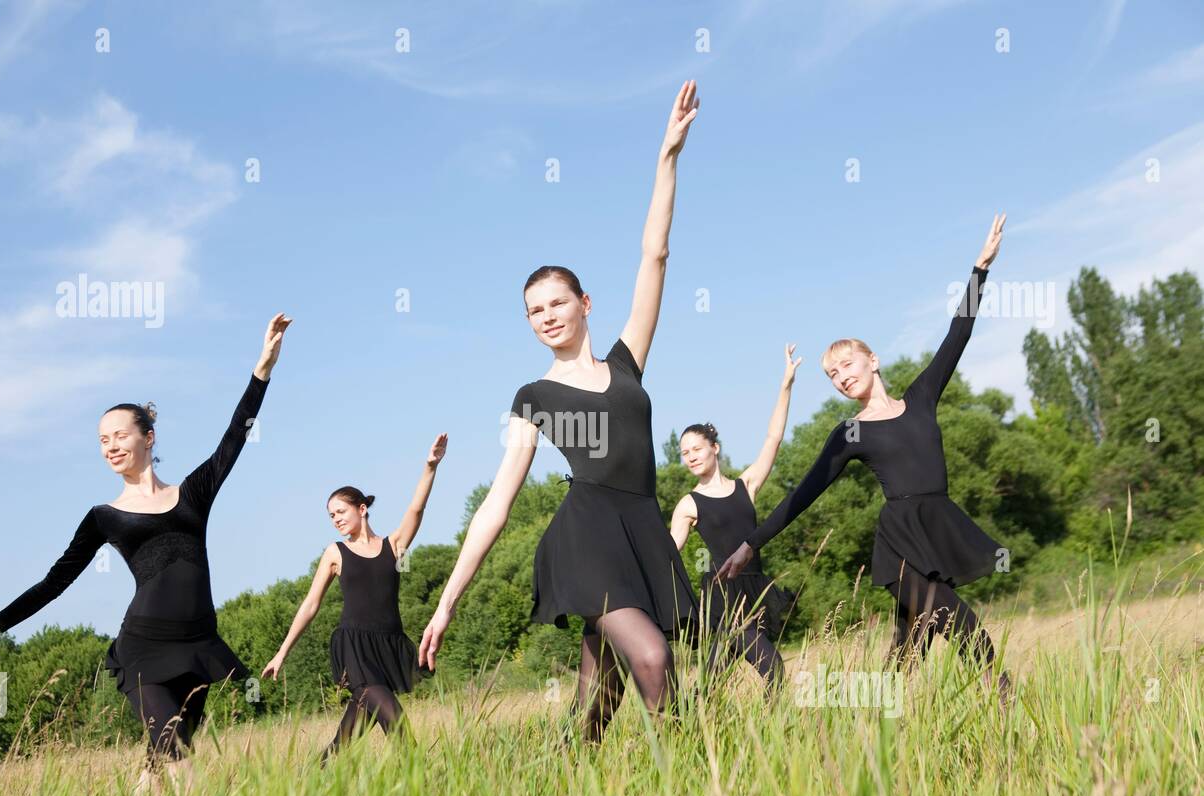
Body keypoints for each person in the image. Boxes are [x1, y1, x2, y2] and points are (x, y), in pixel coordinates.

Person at [418, 81, 702, 743]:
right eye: (535, 310)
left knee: (597, 698)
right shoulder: (534, 398)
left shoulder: (628, 361)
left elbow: (654, 255)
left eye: (557, 302)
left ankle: (570, 789)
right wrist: (447, 599)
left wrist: (668, 156)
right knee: (654, 659)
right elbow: (498, 501)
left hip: (641, 530)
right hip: (585, 538)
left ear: (585, 304)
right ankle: (700, 793)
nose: (547, 316)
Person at [0, 313, 291, 796]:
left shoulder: (194, 493)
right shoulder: (104, 516)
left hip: (197, 645)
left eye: (119, 435)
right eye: (102, 441)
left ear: (148, 437)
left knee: (159, 762)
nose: (110, 446)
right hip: (143, 648)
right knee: (179, 759)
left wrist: (262, 369)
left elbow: (235, 436)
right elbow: (52, 583)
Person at [719, 215, 1014, 703]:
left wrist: (979, 269)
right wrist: (752, 543)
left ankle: (872, 717)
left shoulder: (920, 399)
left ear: (872, 360)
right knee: (959, 620)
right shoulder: (850, 432)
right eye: (832, 375)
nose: (841, 377)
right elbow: (804, 493)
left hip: (937, 524)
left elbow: (955, 337)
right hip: (899, 541)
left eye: (847, 365)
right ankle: (1005, 700)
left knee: (910, 642)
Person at [262, 434, 447, 762]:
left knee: (349, 735)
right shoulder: (336, 552)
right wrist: (281, 652)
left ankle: (314, 774)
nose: (335, 519)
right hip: (355, 647)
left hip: (386, 644)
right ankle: (425, 780)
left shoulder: (394, 545)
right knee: (395, 719)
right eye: (331, 516)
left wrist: (430, 467)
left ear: (362, 509)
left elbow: (416, 508)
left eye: (340, 511)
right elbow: (310, 604)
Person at [669, 343, 801, 696]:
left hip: (755, 589)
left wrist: (785, 385)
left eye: (695, 449)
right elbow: (668, 553)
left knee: (710, 684)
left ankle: (687, 727)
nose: (690, 457)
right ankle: (776, 738)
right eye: (684, 454)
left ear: (714, 447)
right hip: (724, 599)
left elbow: (773, 438)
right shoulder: (688, 504)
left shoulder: (747, 485)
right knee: (773, 669)